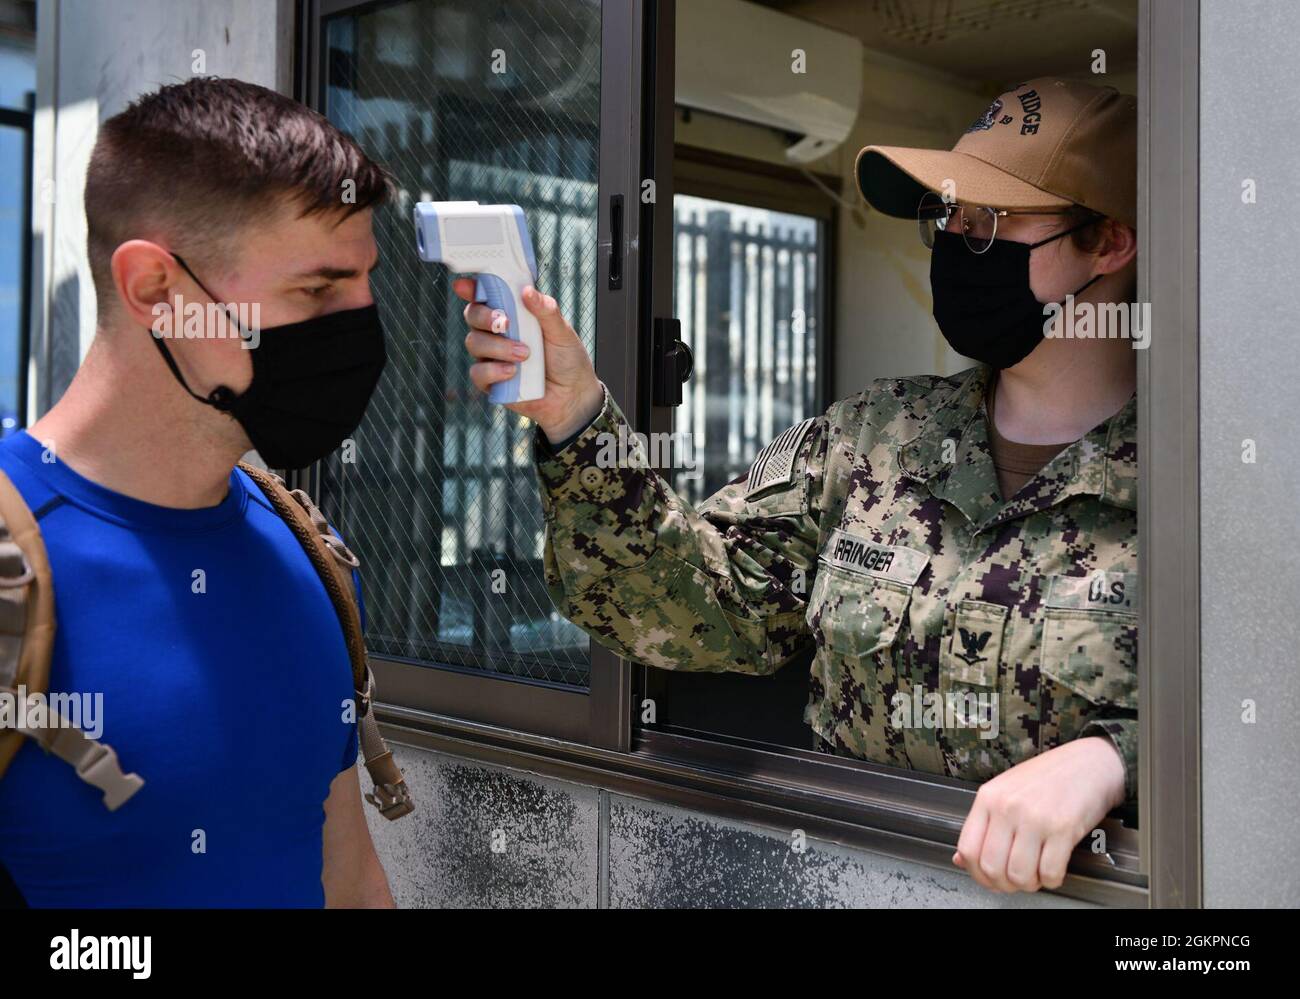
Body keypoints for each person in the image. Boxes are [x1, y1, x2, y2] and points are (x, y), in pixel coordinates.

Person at [460, 78, 1140, 894]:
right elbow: (689, 603)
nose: (958, 241)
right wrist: (577, 419)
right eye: (948, 217)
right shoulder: (867, 437)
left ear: (1108, 244)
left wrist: (1115, 759)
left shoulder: (1201, 486)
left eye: (990, 222)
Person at [0, 78, 396, 906]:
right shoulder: (14, 558)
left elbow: (347, 875)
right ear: (155, 290)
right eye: (318, 290)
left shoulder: (312, 558)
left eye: (365, 284)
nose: (362, 325)